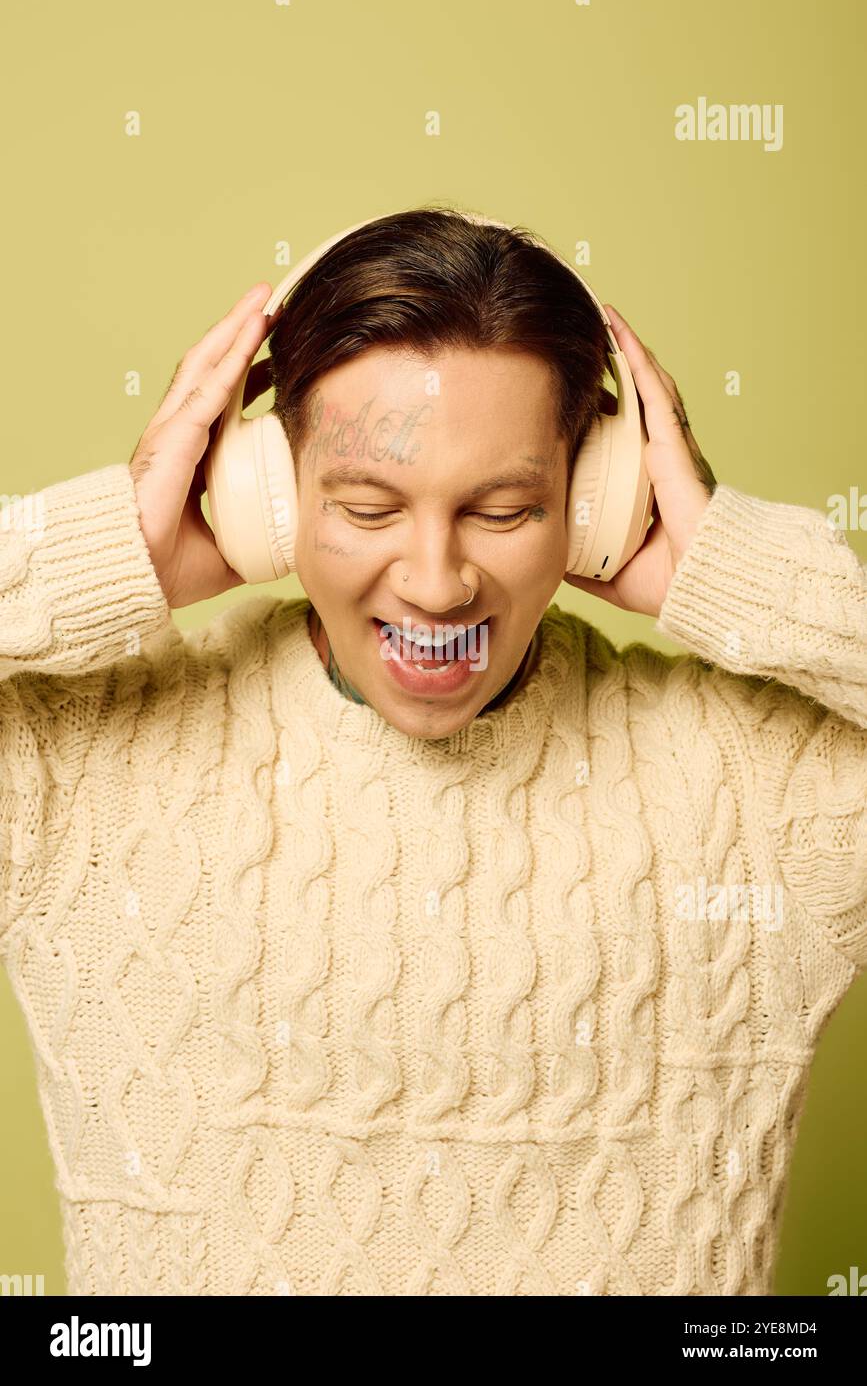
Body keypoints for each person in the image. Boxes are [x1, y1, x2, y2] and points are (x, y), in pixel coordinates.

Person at [1, 207, 864, 1297]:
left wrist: (745, 578)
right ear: (264, 500)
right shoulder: (73, 772)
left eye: (504, 509)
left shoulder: (760, 796)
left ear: (596, 506)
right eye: (368, 505)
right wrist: (106, 549)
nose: (435, 579)